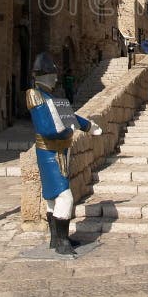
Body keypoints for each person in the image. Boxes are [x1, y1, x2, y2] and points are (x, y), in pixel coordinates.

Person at [26, 53, 102, 255]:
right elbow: (47, 128)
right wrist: (68, 129)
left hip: (60, 151)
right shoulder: (35, 95)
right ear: (44, 75)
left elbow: (69, 116)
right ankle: (62, 241)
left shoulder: (51, 96)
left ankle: (56, 239)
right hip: (50, 152)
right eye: (53, 74)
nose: (56, 78)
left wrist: (88, 126)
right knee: (64, 196)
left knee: (53, 198)